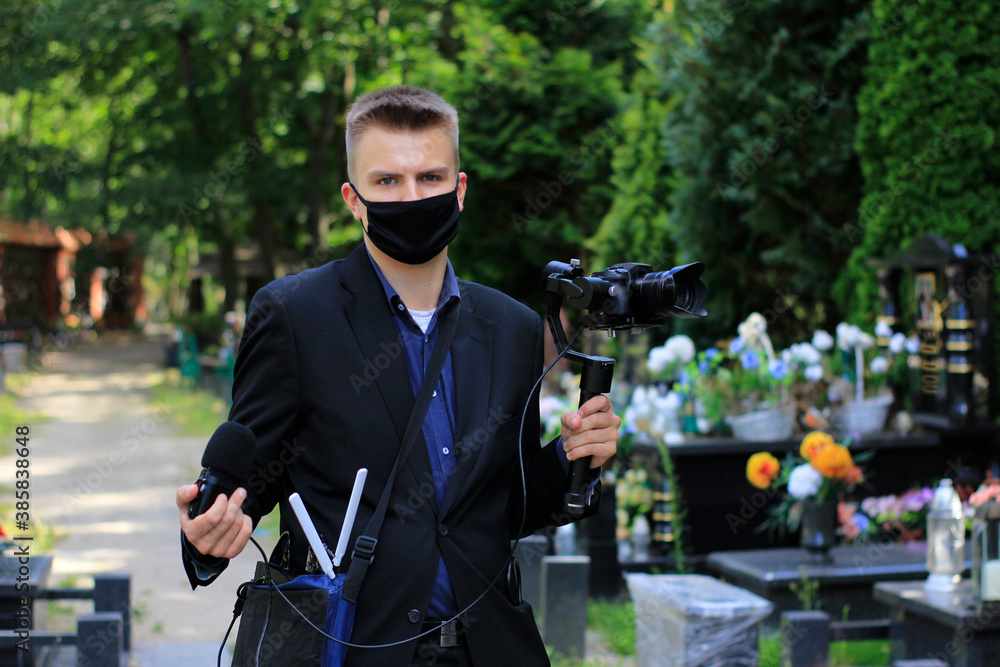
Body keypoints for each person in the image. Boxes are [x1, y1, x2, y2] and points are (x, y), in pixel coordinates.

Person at [175, 85, 620, 666]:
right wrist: (208, 538)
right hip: (354, 648)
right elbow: (246, 488)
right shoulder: (293, 316)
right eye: (387, 181)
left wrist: (570, 456)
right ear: (353, 199)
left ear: (459, 191)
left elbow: (503, 507)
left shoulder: (510, 326)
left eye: (430, 178)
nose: (412, 197)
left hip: (489, 649)